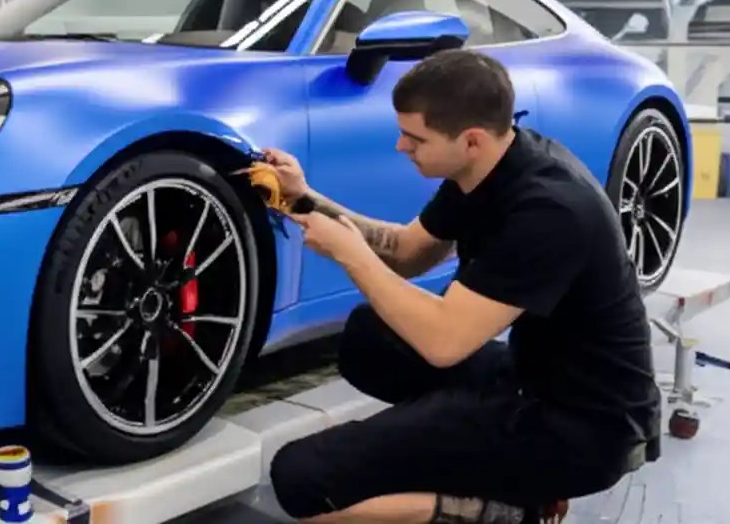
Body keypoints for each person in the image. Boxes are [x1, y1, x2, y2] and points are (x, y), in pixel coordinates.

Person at [262, 49, 661, 524]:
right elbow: (405, 251)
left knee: (300, 479)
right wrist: (305, 199)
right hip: (534, 375)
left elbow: (443, 344)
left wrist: (350, 254)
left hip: (583, 431)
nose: (401, 147)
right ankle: (464, 451)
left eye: (415, 138)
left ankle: (505, 508)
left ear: (471, 140)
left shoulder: (550, 212)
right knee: (369, 338)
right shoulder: (489, 165)